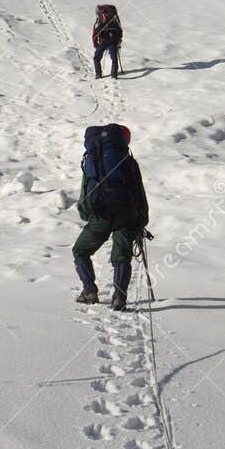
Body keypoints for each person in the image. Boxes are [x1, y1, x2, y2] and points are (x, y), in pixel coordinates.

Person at [74, 123, 149, 311]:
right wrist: (142, 220)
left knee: (80, 250)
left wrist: (87, 214)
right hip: (127, 214)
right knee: (122, 255)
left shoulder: (92, 160)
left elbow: (85, 191)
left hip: (101, 215)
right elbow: (139, 192)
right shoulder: (127, 160)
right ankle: (119, 298)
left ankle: (89, 291)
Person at [91, 3, 123, 78]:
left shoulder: (99, 20)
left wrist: (95, 44)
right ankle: (114, 75)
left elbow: (94, 34)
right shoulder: (115, 19)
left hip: (103, 41)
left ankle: (98, 74)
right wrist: (119, 41)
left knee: (96, 58)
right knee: (114, 57)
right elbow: (120, 30)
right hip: (113, 41)